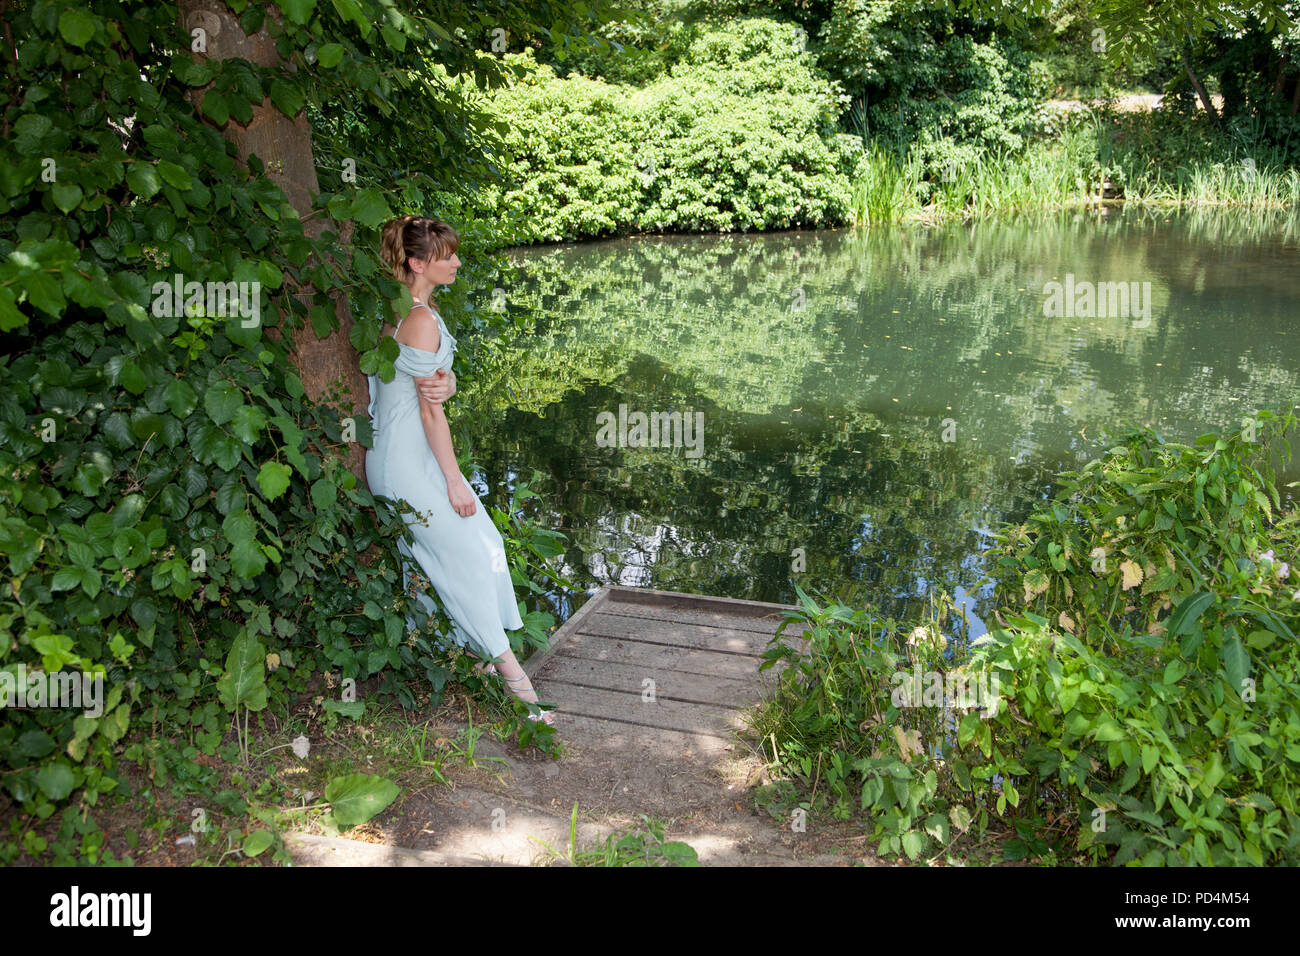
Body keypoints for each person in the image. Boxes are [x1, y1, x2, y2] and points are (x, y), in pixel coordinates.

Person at [366, 214, 554, 725]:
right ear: (417, 262)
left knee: (473, 549)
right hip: (409, 461)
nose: (457, 262)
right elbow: (429, 410)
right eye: (447, 255)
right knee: (473, 554)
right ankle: (515, 678)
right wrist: (454, 481)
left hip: (401, 455)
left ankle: (470, 658)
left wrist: (446, 384)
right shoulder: (420, 318)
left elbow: (424, 388)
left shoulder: (405, 309)